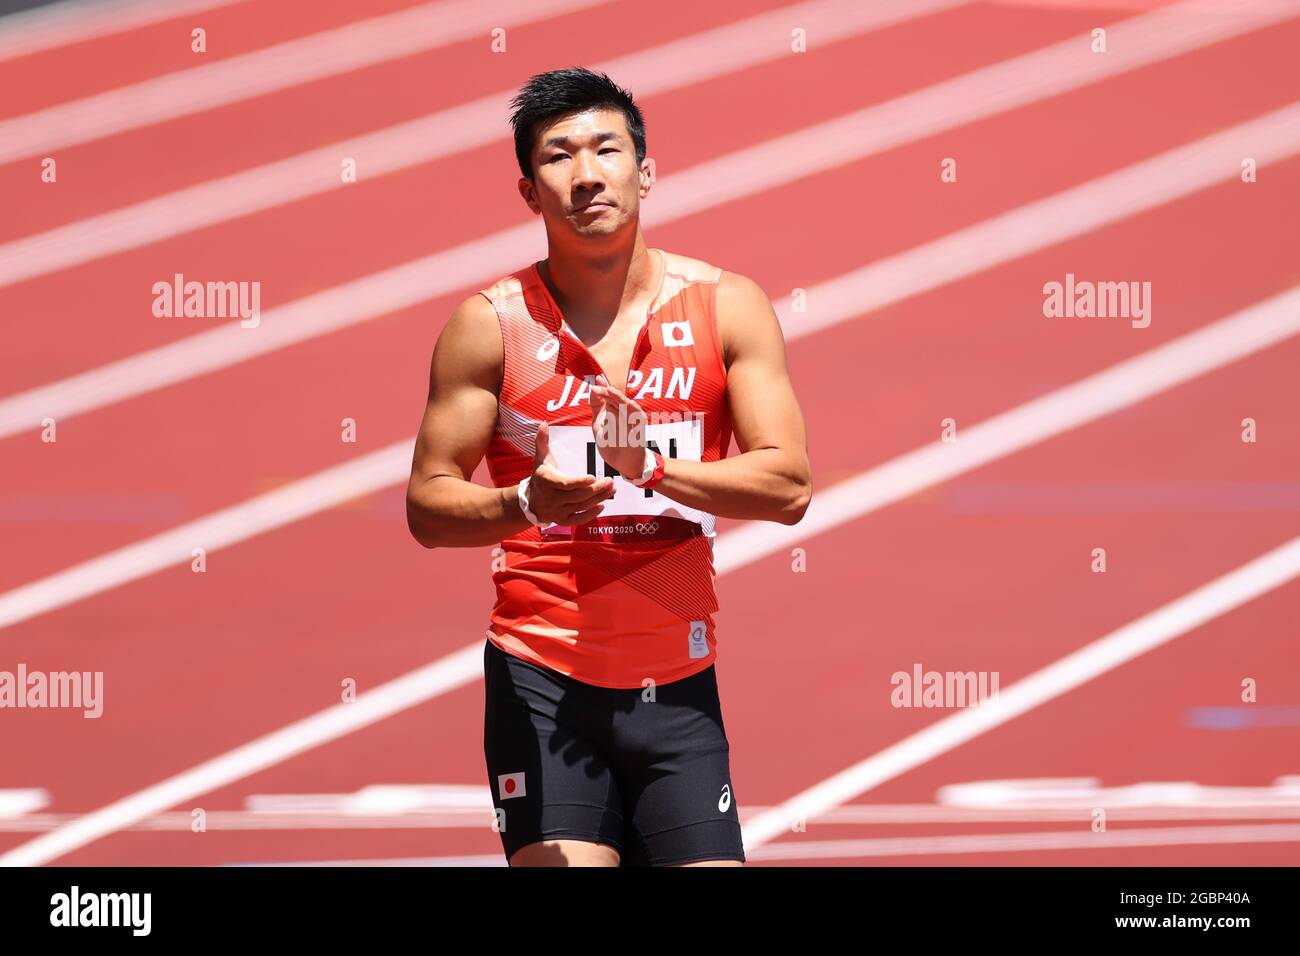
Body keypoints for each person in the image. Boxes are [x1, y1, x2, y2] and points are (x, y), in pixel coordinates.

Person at [406, 67, 810, 867]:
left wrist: (651, 470)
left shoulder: (727, 306)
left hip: (679, 681)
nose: (586, 174)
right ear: (529, 191)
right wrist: (527, 500)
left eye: (606, 150)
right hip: (543, 681)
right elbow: (427, 505)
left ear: (646, 172)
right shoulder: (491, 327)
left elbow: (789, 485)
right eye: (559, 157)